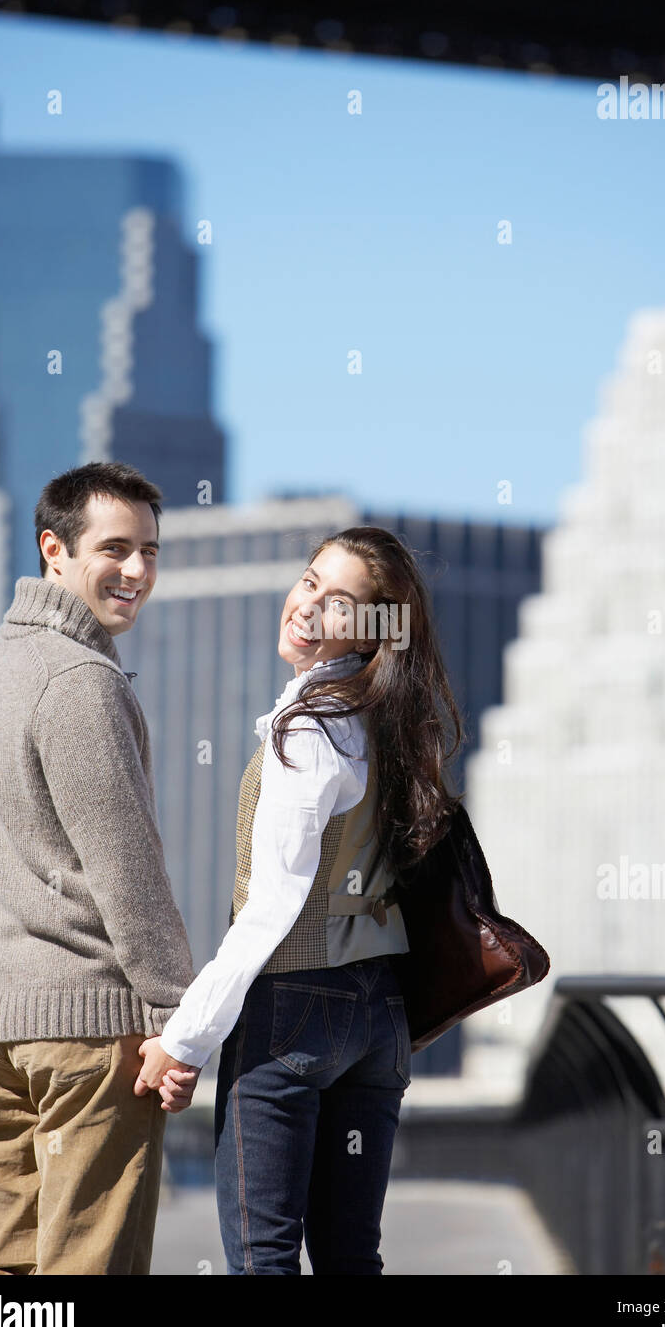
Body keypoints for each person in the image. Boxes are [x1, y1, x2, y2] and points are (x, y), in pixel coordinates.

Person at [137, 526, 462, 1273]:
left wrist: (184, 1041)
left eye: (340, 601)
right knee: (351, 1257)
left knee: (264, 1257)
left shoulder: (309, 730)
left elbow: (272, 905)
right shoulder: (391, 725)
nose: (309, 605)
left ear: (377, 627)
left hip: (297, 1010)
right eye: (311, 580)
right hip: (379, 1014)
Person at [0, 461, 200, 1276]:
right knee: (89, 1270)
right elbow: (126, 869)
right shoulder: (80, 679)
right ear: (54, 549)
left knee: (1, 1281)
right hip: (87, 1032)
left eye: (151, 551)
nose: (137, 571)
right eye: (115, 548)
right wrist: (175, 1019)